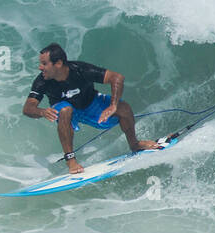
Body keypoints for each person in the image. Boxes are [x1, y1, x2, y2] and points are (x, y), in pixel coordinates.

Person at [22, 44, 159, 174]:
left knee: (124, 108)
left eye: (44, 64)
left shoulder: (80, 70)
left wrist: (113, 105)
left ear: (58, 63)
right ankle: (71, 160)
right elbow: (28, 108)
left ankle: (135, 144)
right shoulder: (42, 81)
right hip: (68, 112)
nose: (40, 68)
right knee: (65, 110)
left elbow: (117, 78)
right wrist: (42, 112)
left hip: (91, 105)